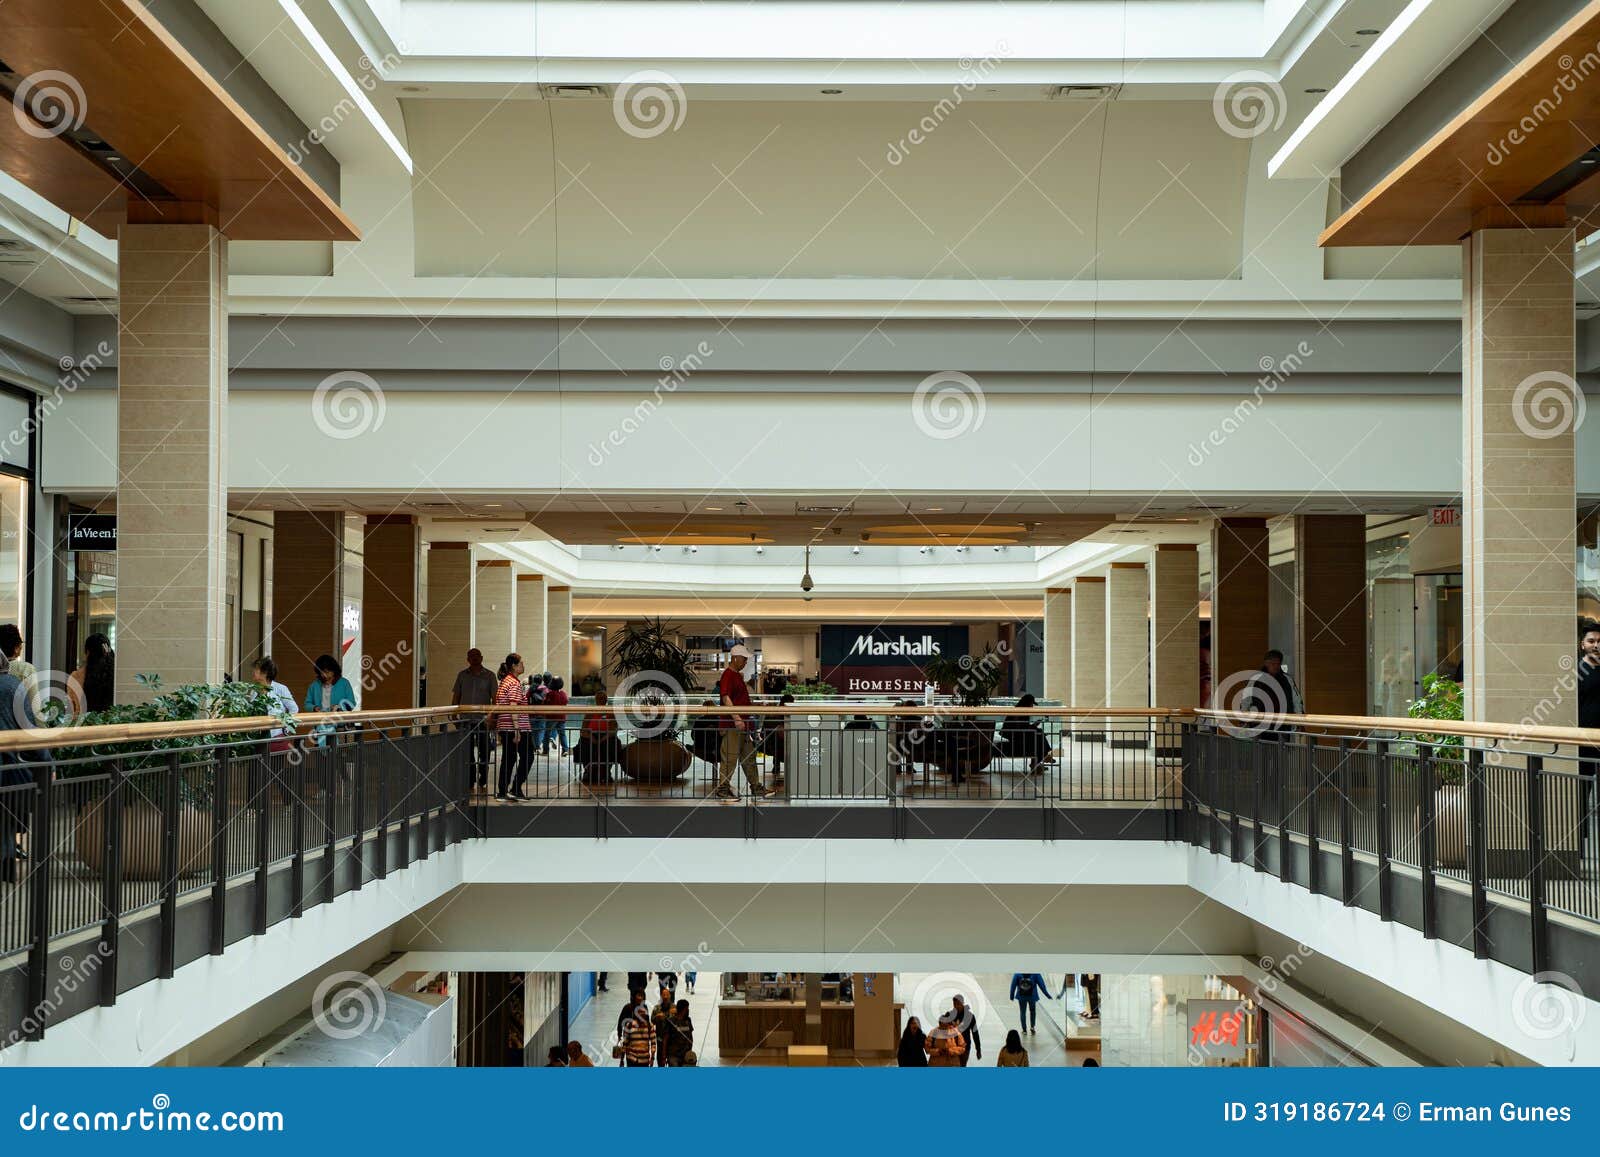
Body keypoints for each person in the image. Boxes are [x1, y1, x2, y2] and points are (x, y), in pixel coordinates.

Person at [0, 653, 42, 884]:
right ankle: (6, 870)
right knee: (6, 821)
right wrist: (45, 761)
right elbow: (29, 730)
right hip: (9, 768)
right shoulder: (13, 686)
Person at [714, 644, 770, 801]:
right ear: (735, 658)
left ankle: (756, 787)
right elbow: (726, 697)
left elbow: (739, 700)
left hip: (742, 725)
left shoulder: (737, 676)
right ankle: (723, 790)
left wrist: (754, 708)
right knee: (729, 758)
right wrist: (737, 718)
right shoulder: (728, 675)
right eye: (744, 659)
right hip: (732, 726)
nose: (746, 662)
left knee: (749, 757)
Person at [452, 648, 498, 791]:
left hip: (483, 721)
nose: (474, 658)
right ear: (468, 659)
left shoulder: (490, 676)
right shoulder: (462, 675)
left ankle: (483, 779)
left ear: (481, 658)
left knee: (485, 751)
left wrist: (492, 718)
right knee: (467, 752)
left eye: (477, 656)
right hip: (465, 721)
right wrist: (454, 715)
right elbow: (456, 696)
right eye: (471, 656)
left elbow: (495, 699)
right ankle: (470, 780)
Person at [490, 653, 532, 799]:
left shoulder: (505, 681)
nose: (523, 665)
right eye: (521, 663)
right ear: (514, 666)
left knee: (509, 758)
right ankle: (515, 788)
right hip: (516, 727)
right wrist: (517, 729)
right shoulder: (513, 683)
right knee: (528, 757)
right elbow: (513, 706)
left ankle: (503, 791)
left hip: (506, 726)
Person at [1246, 649, 1303, 734]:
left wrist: (1299, 720)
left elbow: (1296, 700)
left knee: (1281, 742)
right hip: (1259, 724)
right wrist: (1243, 720)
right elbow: (1246, 700)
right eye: (1273, 664)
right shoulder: (1255, 679)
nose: (1276, 666)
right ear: (1266, 663)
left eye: (1278, 664)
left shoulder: (1287, 679)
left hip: (1282, 724)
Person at [574, 690, 622, 785]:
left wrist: (603, 738)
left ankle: (606, 771)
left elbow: (613, 729)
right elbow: (583, 729)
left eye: (603, 698)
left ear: (606, 700)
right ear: (596, 700)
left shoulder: (610, 713)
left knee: (611, 744)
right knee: (585, 744)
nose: (601, 700)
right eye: (599, 698)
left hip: (607, 736)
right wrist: (591, 737)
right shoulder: (590, 712)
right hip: (590, 736)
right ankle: (588, 770)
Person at [251, 657, 298, 754]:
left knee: (275, 763)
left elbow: (294, 709)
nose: (253, 672)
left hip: (277, 738)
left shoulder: (280, 689)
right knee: (257, 763)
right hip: (258, 739)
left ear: (265, 673)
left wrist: (285, 729)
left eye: (256, 669)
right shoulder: (254, 690)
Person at [999, 694, 1055, 773]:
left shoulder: (1020, 711)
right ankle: (1043, 757)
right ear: (1027, 703)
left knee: (1039, 735)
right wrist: (1033, 727)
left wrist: (1033, 726)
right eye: (1031, 704)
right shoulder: (1018, 712)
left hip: (1018, 736)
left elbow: (1023, 727)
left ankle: (1039, 761)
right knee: (1039, 736)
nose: (1032, 706)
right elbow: (1020, 728)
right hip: (1016, 738)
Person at [69, 632, 114, 715]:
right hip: (109, 721)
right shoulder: (114, 676)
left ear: (87, 652)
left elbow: (72, 709)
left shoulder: (75, 677)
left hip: (82, 721)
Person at [756, 692, 794, 781]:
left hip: (769, 746)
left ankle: (776, 766)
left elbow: (762, 734)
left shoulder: (772, 714)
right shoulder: (788, 716)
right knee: (783, 742)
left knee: (779, 742)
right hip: (780, 747)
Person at [661, 998, 695, 1067]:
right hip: (673, 1055)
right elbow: (665, 1039)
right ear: (683, 1010)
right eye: (687, 1009)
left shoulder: (688, 1020)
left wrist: (690, 1051)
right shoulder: (671, 1021)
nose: (688, 1010)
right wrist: (664, 1056)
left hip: (685, 1055)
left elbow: (690, 1036)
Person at [620, 1002, 656, 1067]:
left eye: (643, 1012)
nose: (641, 1014)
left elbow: (653, 1043)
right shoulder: (629, 1025)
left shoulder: (650, 1026)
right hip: (632, 1059)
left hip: (644, 1060)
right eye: (639, 1012)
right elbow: (624, 1043)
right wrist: (622, 1059)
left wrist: (652, 1058)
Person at [950, 993, 980, 1064]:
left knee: (962, 1065)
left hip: (965, 1047)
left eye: (958, 1004)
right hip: (952, 1047)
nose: (956, 1006)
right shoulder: (950, 1015)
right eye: (954, 1004)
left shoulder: (970, 1016)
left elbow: (975, 1033)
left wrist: (978, 1049)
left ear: (962, 1003)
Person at [545, 676, 571, 756]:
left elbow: (545, 703)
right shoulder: (563, 693)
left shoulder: (550, 694)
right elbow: (566, 701)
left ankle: (545, 750)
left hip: (551, 717)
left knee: (547, 733)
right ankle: (565, 750)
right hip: (562, 717)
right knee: (562, 734)